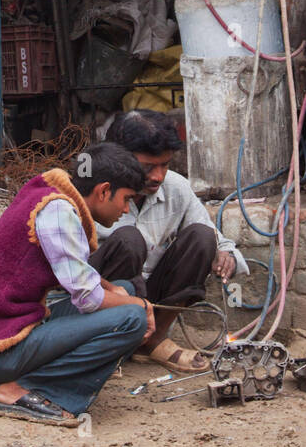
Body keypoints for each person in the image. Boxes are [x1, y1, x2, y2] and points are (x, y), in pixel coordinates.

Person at [0, 141, 155, 427]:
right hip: (1, 351)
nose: (126, 209)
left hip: (18, 332)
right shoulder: (58, 211)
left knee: (125, 287)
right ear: (103, 191)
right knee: (132, 318)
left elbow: (76, 273)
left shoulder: (52, 197)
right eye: (126, 199)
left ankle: (41, 382)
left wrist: (116, 290)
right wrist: (143, 305)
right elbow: (88, 298)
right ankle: (23, 391)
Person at [92, 108, 249, 376]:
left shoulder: (176, 187)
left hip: (154, 299)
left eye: (165, 165)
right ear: (120, 158)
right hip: (106, 296)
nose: (158, 176)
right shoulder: (93, 190)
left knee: (201, 237)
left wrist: (225, 253)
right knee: (129, 241)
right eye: (148, 167)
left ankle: (152, 340)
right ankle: (109, 342)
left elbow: (209, 233)